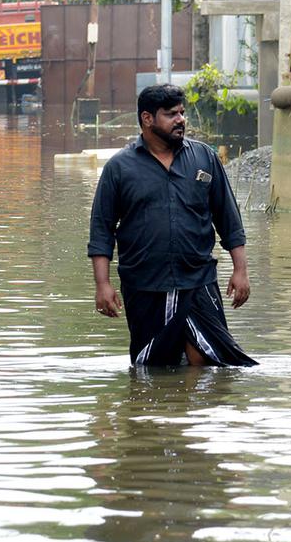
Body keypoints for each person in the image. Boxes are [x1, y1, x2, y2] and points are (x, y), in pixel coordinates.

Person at [87, 84, 257, 367]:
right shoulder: (120, 168)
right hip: (145, 284)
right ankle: (161, 409)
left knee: (207, 357)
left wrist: (241, 270)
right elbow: (101, 231)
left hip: (198, 279)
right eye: (170, 114)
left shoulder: (204, 158)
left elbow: (228, 219)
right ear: (147, 119)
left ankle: (195, 409)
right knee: (153, 365)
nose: (180, 120)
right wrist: (102, 285)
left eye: (182, 112)